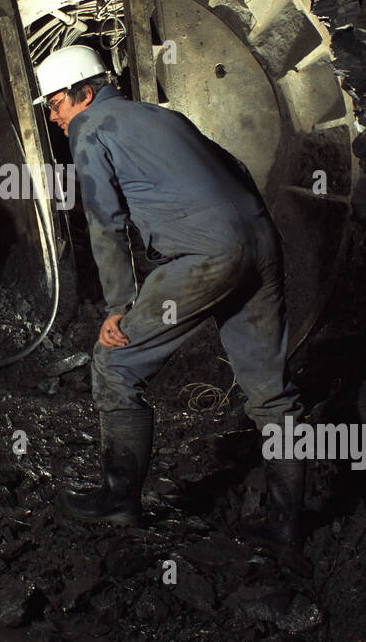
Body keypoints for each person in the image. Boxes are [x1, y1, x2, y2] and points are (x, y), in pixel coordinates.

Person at [33, 45, 306, 545]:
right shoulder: (165, 116)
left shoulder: (90, 128)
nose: (54, 118)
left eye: (55, 104)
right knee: (270, 392)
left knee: (116, 364)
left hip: (204, 257)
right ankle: (285, 528)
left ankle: (119, 502)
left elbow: (104, 223)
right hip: (261, 244)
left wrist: (119, 307)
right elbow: (238, 169)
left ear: (85, 94)